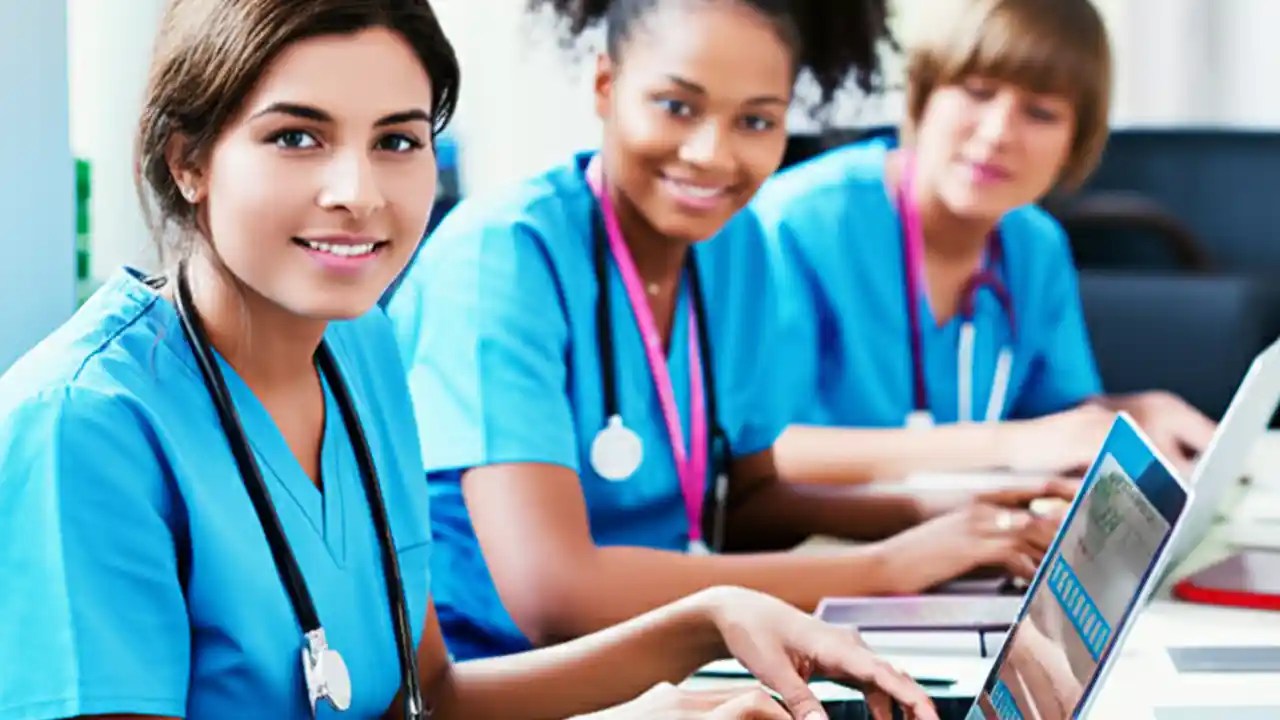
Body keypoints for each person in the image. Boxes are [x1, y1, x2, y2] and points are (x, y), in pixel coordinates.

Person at [0, 1, 938, 719]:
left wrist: (702, 629)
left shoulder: (359, 346)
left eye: (398, 140)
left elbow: (434, 696)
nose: (357, 192)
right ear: (188, 161)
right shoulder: (86, 426)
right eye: (297, 137)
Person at [386, 0, 1073, 664]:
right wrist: (888, 565)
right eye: (677, 106)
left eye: (755, 120)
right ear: (606, 83)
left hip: (672, 664)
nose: (712, 154)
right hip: (500, 676)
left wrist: (950, 511)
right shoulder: (503, 256)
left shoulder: (733, 247)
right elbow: (555, 593)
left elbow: (742, 505)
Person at [751, 0, 1216, 487]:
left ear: (1076, 144)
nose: (997, 134)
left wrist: (1131, 416)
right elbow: (758, 451)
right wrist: (1004, 444)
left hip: (971, 544)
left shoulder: (1035, 246)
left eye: (1040, 113)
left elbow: (1053, 416)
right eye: (976, 93)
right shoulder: (796, 223)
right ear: (922, 95)